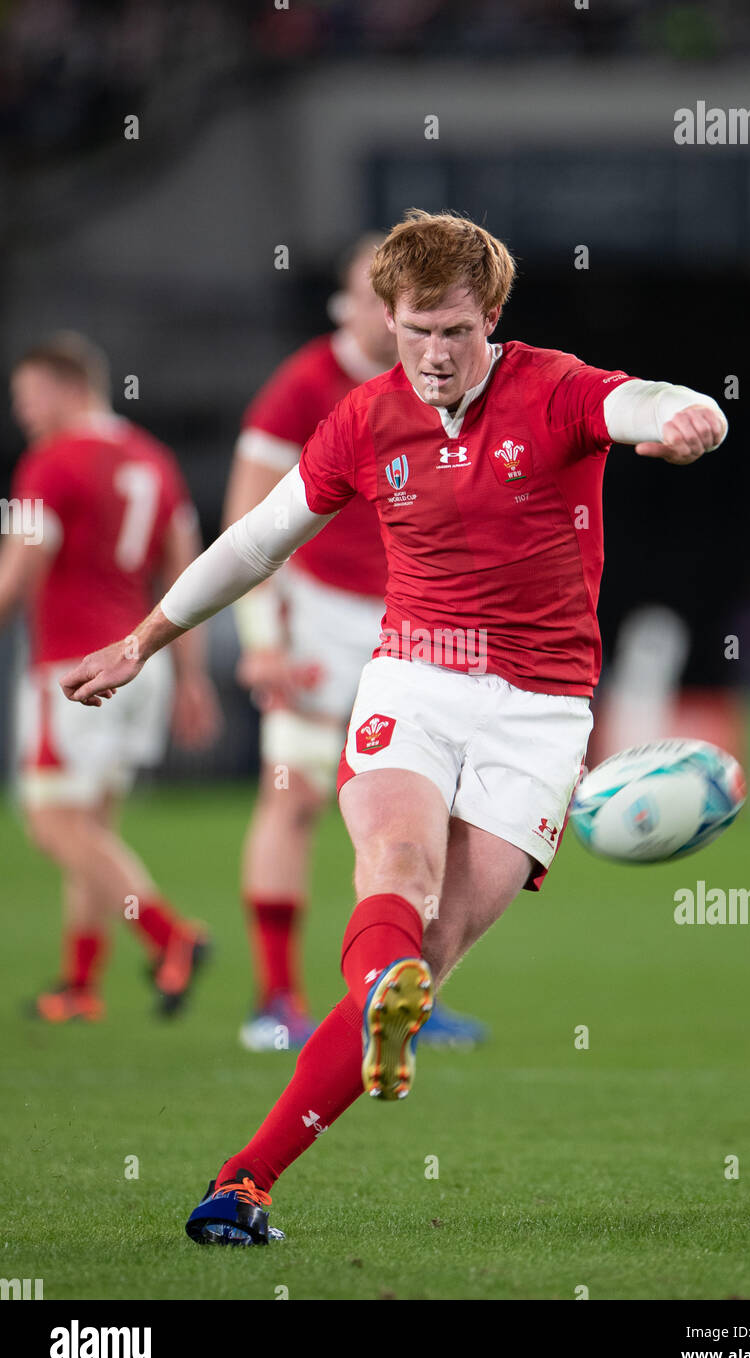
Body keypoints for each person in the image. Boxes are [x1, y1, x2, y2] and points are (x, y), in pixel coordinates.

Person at [60, 212, 728, 1245]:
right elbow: (255, 541)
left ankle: (302, 1101)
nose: (432, 354)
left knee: (428, 954)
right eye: (414, 330)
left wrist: (689, 417)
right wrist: (146, 638)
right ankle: (247, 1178)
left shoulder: (552, 388)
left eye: (454, 331)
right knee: (396, 866)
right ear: (387, 319)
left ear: (490, 319)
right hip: (412, 678)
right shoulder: (363, 418)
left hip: (539, 717)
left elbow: (641, 401)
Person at [224, 233, 487, 1051]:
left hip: (419, 621)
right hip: (320, 615)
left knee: (431, 813)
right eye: (398, 298)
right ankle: (275, 1000)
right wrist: (261, 637)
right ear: (365, 302)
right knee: (293, 795)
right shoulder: (306, 384)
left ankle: (410, 984)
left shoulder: (456, 382)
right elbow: (248, 517)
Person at [0, 332, 220, 1020]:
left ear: (70, 387)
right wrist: (190, 675)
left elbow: (19, 572)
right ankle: (81, 983)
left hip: (70, 670)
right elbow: (187, 571)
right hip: (137, 663)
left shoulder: (51, 464)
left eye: (32, 397)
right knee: (92, 826)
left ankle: (171, 936)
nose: (24, 413)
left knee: (51, 824)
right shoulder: (153, 460)